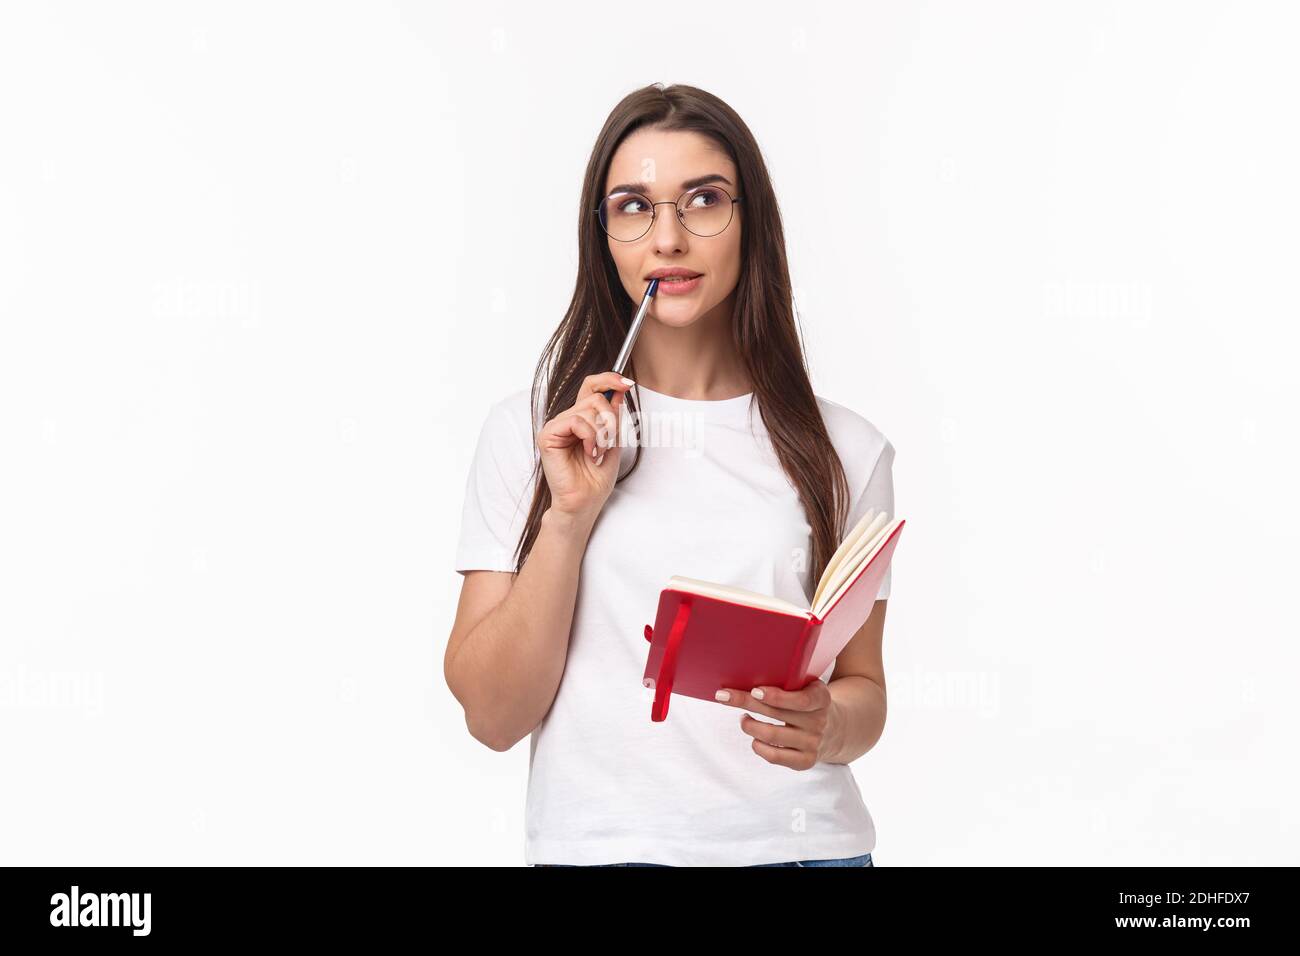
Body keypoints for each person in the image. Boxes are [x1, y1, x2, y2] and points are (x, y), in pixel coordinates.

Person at [446, 83, 894, 867]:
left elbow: (866, 695)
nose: (669, 239)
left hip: (804, 852)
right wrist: (568, 518)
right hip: (602, 852)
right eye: (633, 206)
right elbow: (491, 715)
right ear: (603, 236)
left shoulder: (846, 449)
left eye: (704, 200)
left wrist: (829, 725)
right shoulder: (533, 434)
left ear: (750, 222)